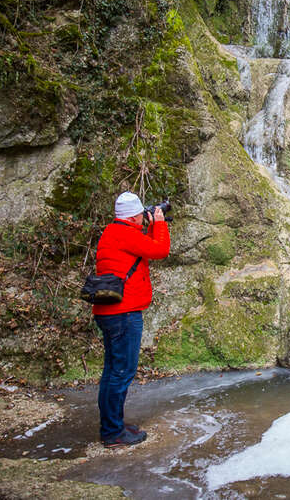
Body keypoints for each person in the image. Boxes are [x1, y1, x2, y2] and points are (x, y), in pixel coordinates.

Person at [93, 191, 170, 448]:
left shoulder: (114, 232)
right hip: (123, 314)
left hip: (111, 313)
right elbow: (159, 250)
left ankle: (112, 426)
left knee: (112, 372)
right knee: (121, 373)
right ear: (135, 216)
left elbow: (142, 252)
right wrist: (158, 223)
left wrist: (148, 228)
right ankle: (113, 433)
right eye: (141, 215)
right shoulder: (125, 234)